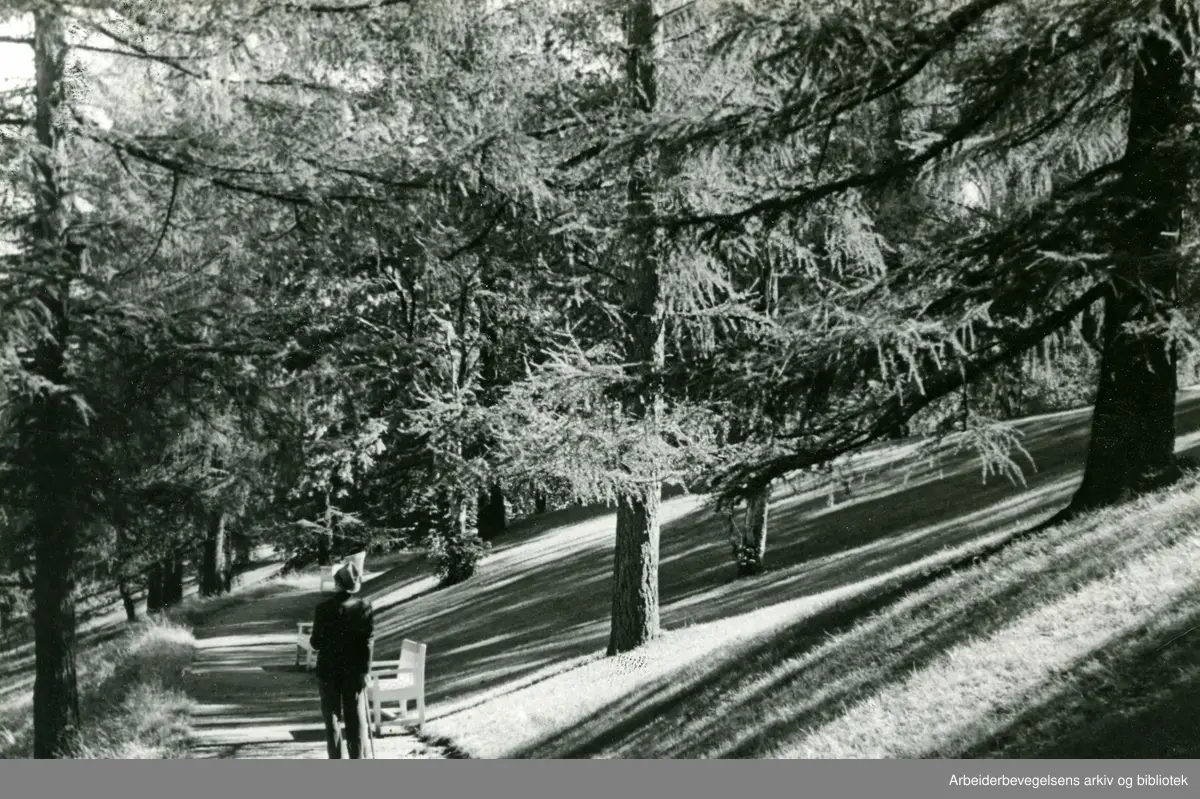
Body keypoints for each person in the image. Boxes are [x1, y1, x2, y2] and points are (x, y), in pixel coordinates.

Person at [309, 560, 375, 758]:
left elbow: (315, 643)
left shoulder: (322, 609)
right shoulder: (364, 607)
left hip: (328, 671)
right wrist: (366, 671)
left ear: (336, 584)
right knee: (355, 718)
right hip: (354, 671)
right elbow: (367, 642)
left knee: (332, 719)